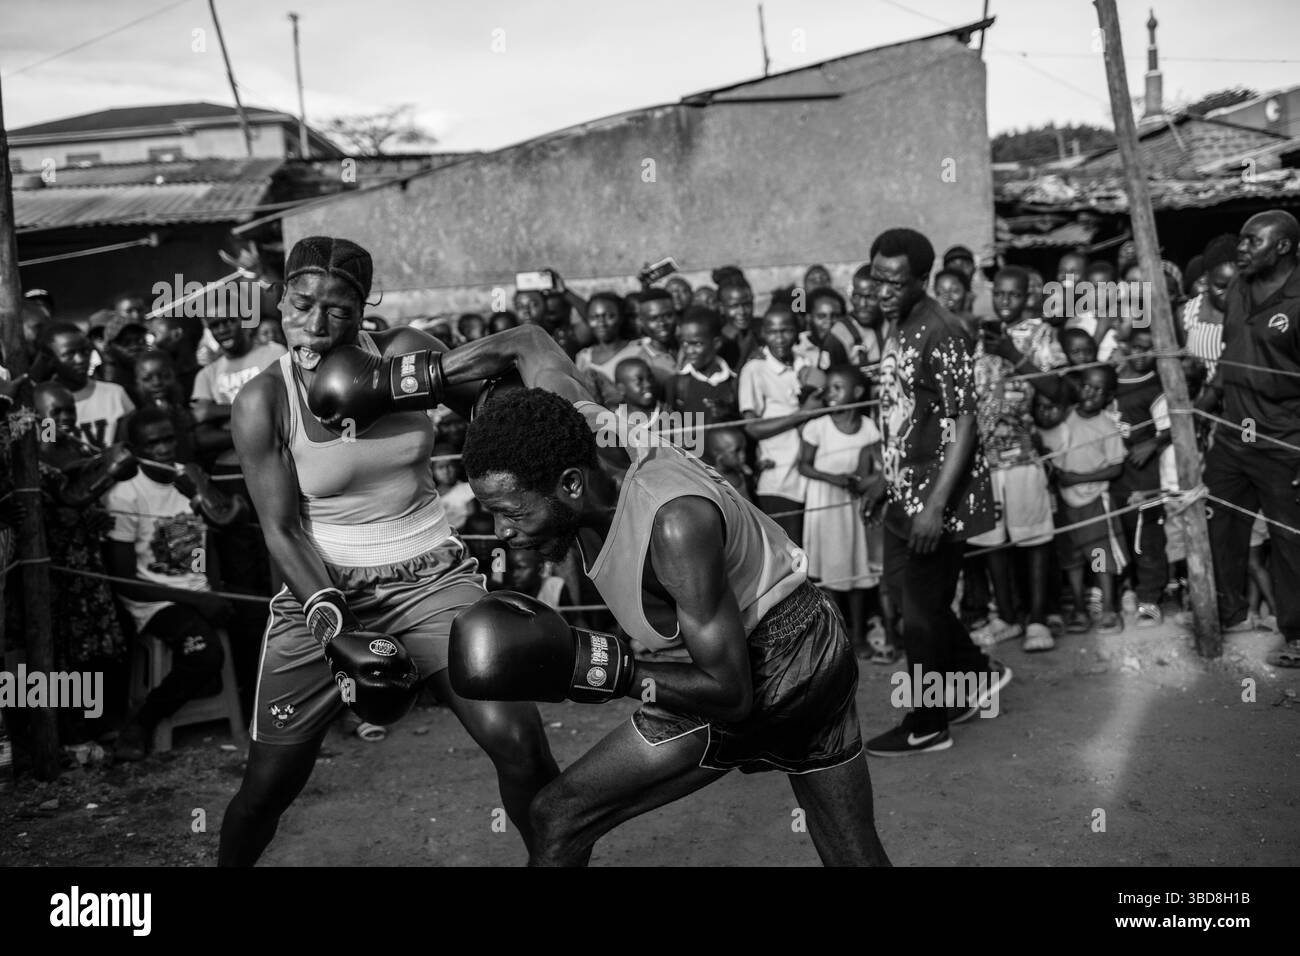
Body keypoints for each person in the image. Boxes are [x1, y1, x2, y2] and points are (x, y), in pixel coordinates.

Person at [396, 323, 889, 866]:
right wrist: (409, 379)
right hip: (813, 635)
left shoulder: (672, 524)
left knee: (556, 817)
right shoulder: (573, 422)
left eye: (513, 512)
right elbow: (531, 341)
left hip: (770, 665)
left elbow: (730, 694)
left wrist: (595, 664)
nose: (503, 531)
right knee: (854, 855)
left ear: (571, 485)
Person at [218, 236, 558, 866]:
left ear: (366, 308)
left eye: (339, 310)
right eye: (301, 304)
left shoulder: (404, 351)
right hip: (320, 590)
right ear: (278, 297)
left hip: (434, 579)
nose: (316, 325)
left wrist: (438, 384)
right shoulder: (262, 400)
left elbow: (501, 418)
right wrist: (332, 622)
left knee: (522, 749)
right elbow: (281, 530)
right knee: (267, 790)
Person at [857, 227, 1007, 757]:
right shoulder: (897, 323)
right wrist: (885, 478)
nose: (883, 290)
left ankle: (927, 723)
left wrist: (935, 507)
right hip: (905, 490)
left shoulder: (941, 331)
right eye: (877, 279)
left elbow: (963, 424)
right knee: (910, 600)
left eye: (895, 282)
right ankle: (976, 673)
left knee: (920, 615)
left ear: (922, 279)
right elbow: (908, 413)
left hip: (939, 501)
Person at [104, 406, 248, 760]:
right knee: (204, 654)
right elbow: (125, 582)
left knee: (268, 624)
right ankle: (142, 721)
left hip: (198, 592)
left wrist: (213, 589)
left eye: (169, 439)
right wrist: (198, 601)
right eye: (153, 444)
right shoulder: (125, 494)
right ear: (136, 449)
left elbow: (208, 540)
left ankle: (257, 717)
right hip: (156, 601)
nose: (165, 449)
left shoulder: (190, 479)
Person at [1197, 211, 1300, 665]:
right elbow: (1232, 354)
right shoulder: (1238, 287)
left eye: (1252, 242)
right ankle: (1227, 613)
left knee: (1289, 541)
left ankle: (1296, 635)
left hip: (1283, 442)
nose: (1240, 249)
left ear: (1283, 248)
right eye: (1240, 240)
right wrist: (1206, 399)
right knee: (1219, 524)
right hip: (1233, 434)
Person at [968, 267, 1061, 653]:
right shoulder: (976, 335)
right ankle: (1006, 616)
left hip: (1022, 455)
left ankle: (1038, 619)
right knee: (992, 543)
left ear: (1027, 297)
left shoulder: (1041, 334)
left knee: (1034, 539)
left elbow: (1056, 387)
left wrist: (1011, 354)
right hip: (981, 458)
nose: (1005, 302)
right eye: (1000, 295)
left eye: (1013, 295)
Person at [797, 365, 880, 653]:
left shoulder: (868, 427)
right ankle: (838, 636)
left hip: (853, 506)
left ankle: (858, 634)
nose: (828, 394)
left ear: (857, 392)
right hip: (825, 505)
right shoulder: (817, 426)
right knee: (832, 573)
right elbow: (804, 465)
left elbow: (871, 466)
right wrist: (832, 478)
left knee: (856, 567)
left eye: (836, 388)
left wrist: (859, 481)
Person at [1039, 365, 1128, 635]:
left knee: (1099, 556)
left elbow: (1116, 467)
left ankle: (1109, 609)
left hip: (1094, 500)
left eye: (1098, 389)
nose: (1090, 393)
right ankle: (1079, 609)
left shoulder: (1106, 425)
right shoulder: (1064, 418)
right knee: (1072, 558)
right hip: (1065, 502)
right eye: (1086, 386)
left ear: (1109, 395)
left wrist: (1075, 478)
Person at [739, 307, 819, 543]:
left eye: (786, 330)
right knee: (787, 551)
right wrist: (801, 414)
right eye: (773, 332)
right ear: (763, 334)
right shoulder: (755, 369)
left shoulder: (806, 362)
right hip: (779, 478)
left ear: (796, 332)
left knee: (811, 552)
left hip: (811, 474)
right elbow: (751, 428)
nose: (780, 338)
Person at [1112, 328, 1169, 626]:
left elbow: (1174, 424)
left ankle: (1150, 597)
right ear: (1126, 346)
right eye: (1137, 347)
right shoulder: (1112, 380)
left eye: (1150, 349)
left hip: (1144, 475)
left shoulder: (1157, 386)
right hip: (1115, 474)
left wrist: (1154, 442)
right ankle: (1125, 589)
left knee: (1147, 537)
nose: (1142, 354)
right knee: (1119, 533)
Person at [37, 323, 135, 449]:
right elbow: (47, 450)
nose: (80, 359)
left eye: (85, 351)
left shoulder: (114, 394)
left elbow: (127, 445)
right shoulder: (44, 401)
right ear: (50, 359)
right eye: (69, 354)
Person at [664, 307, 739, 432]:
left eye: (697, 344)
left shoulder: (735, 382)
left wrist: (729, 415)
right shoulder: (676, 385)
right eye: (684, 343)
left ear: (716, 343)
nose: (689, 350)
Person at [573, 292, 633, 407]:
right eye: (594, 317)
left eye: (609, 316)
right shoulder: (583, 357)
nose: (601, 323)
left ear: (621, 317)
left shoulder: (638, 350)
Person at [432, 442, 477, 531]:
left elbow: (472, 519)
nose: (446, 471)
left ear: (457, 466)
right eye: (440, 467)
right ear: (432, 470)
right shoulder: (431, 495)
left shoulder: (468, 489)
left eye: (450, 466)